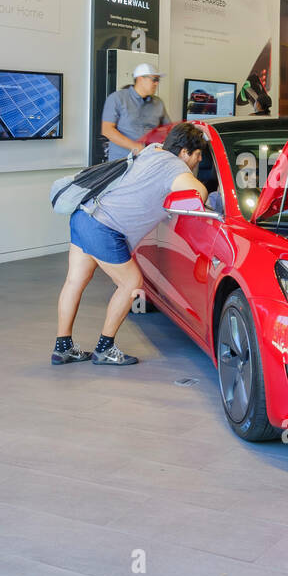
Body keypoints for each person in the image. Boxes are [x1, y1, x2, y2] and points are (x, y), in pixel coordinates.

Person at [53, 122, 209, 366]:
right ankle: (105, 348)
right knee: (132, 283)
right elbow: (198, 194)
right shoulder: (176, 167)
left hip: (84, 214)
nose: (198, 161)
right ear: (185, 152)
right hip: (104, 228)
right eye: (198, 155)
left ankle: (62, 348)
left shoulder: (152, 150)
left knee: (74, 281)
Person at [101, 62, 170, 161]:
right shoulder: (117, 98)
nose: (156, 83)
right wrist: (135, 147)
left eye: (158, 80)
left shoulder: (158, 103)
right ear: (140, 79)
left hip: (149, 161)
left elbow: (168, 129)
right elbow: (107, 130)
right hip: (122, 163)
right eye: (154, 79)